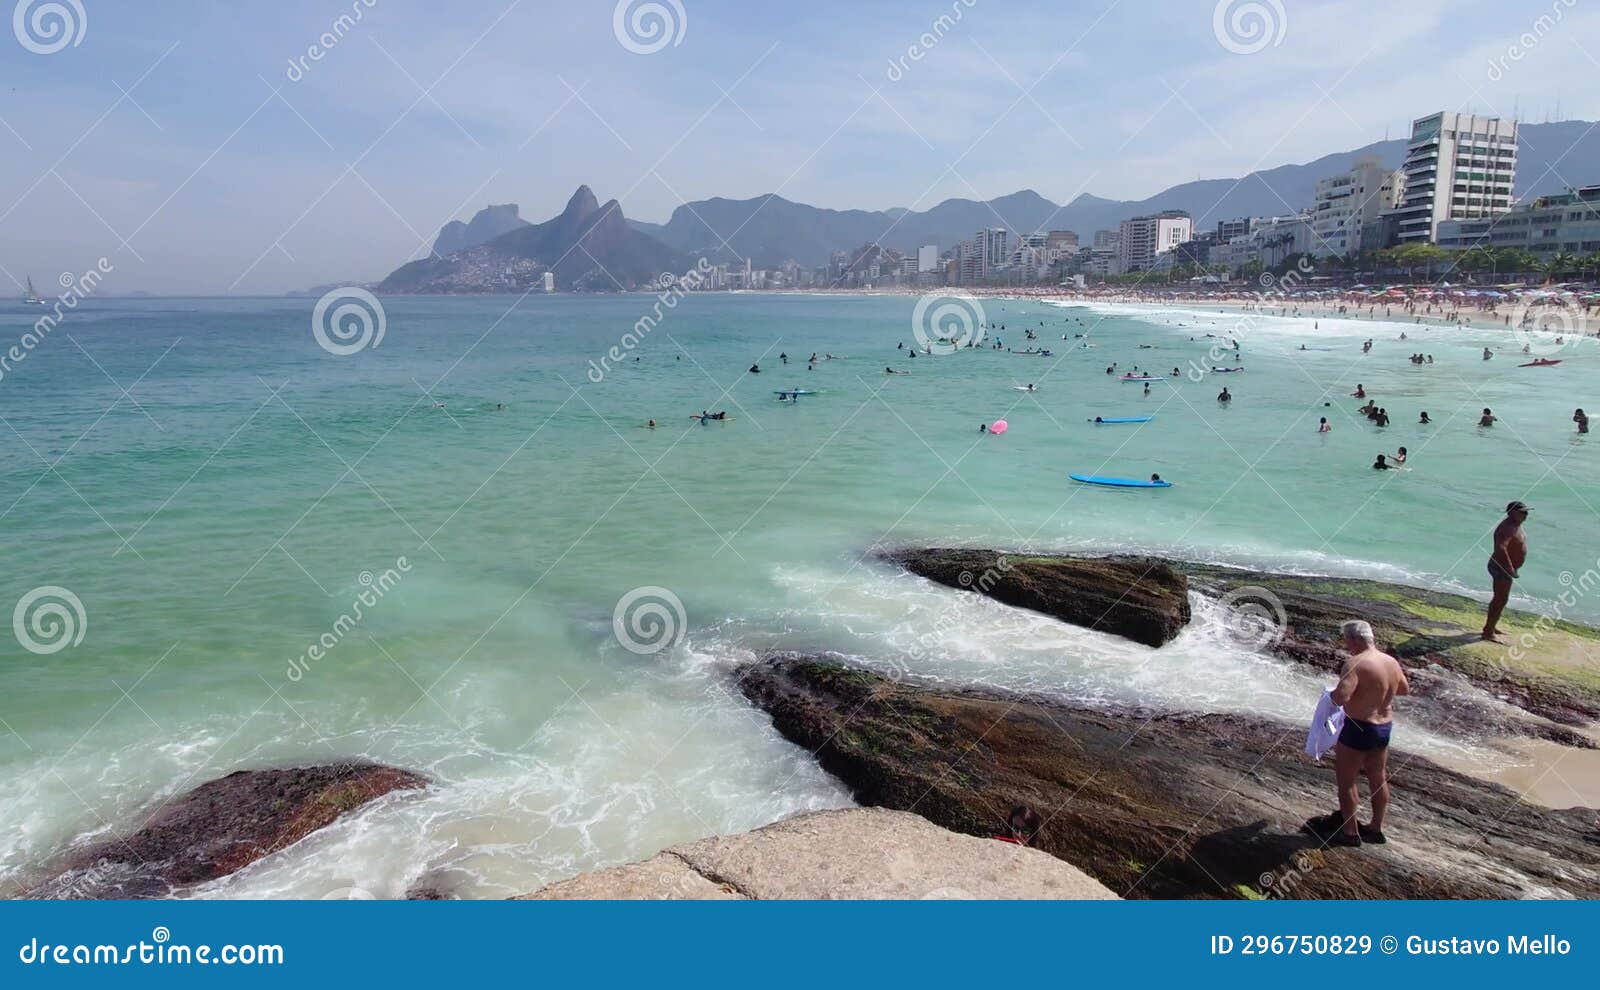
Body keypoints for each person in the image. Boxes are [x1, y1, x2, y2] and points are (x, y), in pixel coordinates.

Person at [1304, 620, 1409, 846]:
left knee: (1347, 781)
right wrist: (1377, 693)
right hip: (1383, 727)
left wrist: (1327, 698)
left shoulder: (1355, 663)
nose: (1346, 646)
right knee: (1378, 778)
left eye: (1346, 640)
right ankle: (1375, 828)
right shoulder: (1390, 661)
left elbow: (1342, 697)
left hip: (1359, 727)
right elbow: (1403, 689)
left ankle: (1350, 833)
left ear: (1354, 639)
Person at [1483, 501, 1530, 642]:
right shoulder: (1507, 527)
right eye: (1523, 512)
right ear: (1512, 512)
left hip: (1505, 567)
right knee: (1500, 599)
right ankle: (1488, 631)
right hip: (1501, 567)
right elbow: (1501, 548)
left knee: (1501, 599)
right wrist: (1509, 568)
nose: (1526, 515)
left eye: (1527, 512)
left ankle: (1491, 626)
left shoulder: (1516, 525)